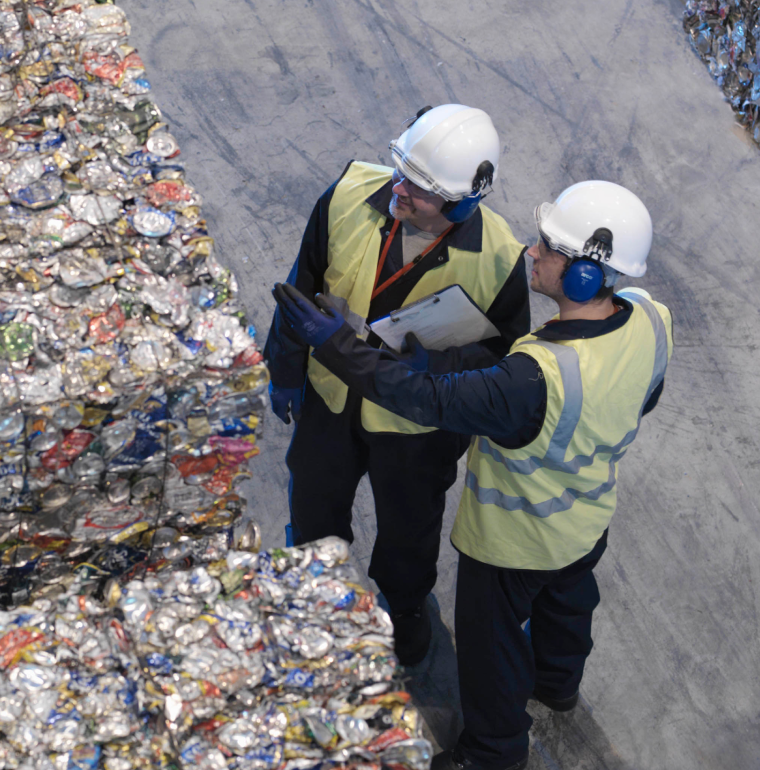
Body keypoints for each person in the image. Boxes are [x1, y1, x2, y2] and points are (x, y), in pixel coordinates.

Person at [272, 180, 670, 770]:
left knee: (491, 649)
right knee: (567, 603)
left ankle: (491, 753)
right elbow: (646, 396)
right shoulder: (650, 317)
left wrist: (336, 346)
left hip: (517, 539)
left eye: (549, 248)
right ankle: (557, 683)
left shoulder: (536, 375)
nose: (533, 252)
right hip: (587, 515)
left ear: (587, 276)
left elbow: (424, 400)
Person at [263, 104, 530, 668]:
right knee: (313, 501)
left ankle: (405, 606)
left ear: (460, 205)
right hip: (332, 397)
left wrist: (440, 364)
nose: (398, 190)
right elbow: (301, 283)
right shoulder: (349, 194)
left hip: (416, 426)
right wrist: (284, 368)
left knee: (410, 527)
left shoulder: (500, 259)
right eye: (400, 170)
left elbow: (505, 355)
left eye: (419, 188)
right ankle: (315, 583)